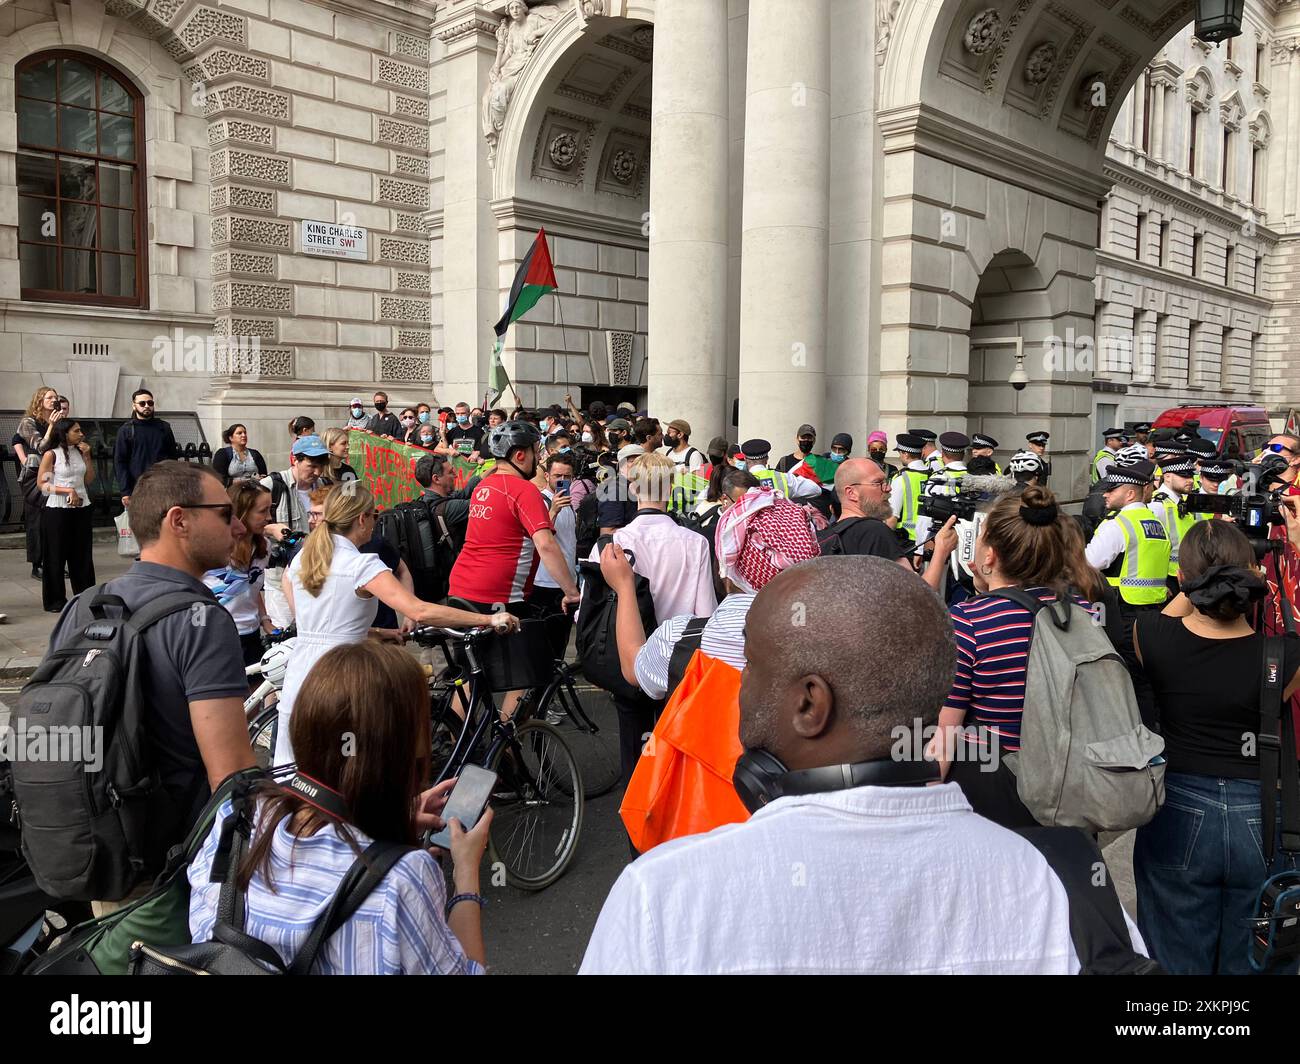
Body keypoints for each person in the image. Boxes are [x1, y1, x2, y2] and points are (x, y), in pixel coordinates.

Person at [581, 554, 1145, 974]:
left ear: (809, 703)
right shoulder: (1067, 884)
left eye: (751, 666)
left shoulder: (664, 897)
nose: (740, 685)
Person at [189, 641, 491, 974]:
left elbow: (205, 928)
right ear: (402, 746)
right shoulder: (403, 878)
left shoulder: (237, 817)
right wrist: (466, 873)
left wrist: (389, 815)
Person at [47, 461, 256, 899]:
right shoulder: (201, 620)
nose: (238, 526)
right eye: (224, 513)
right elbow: (232, 777)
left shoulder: (84, 605)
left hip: (95, 852)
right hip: (170, 873)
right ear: (179, 520)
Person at [1132, 520, 1300, 975]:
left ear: (1184, 581)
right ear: (1253, 578)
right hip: (1262, 813)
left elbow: (1169, 613)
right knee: (1255, 956)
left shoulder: (1152, 637)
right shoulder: (1282, 657)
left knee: (1173, 954)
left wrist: (1198, 580)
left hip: (1178, 807)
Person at [274, 482, 520, 765]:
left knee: (294, 773)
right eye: (375, 516)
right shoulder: (361, 565)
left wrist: (376, 633)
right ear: (362, 518)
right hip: (343, 679)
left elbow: (320, 623)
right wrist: (489, 618)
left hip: (300, 677)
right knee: (352, 770)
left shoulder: (304, 558)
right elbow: (419, 610)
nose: (376, 523)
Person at [936, 486, 1104, 827]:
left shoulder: (968, 622)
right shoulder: (1085, 612)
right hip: (1067, 785)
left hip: (990, 788)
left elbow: (944, 736)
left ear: (990, 556)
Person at [447, 419, 580, 617]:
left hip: (460, 587)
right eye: (536, 452)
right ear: (520, 455)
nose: (539, 458)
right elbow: (546, 545)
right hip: (500, 595)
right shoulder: (525, 490)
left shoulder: (483, 486)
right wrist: (571, 592)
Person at [205, 480, 278, 668]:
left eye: (270, 509)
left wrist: (264, 619)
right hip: (216, 637)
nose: (269, 517)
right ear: (242, 513)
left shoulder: (264, 547)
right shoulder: (213, 548)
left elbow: (250, 587)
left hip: (251, 634)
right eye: (262, 511)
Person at [1084, 459, 1171, 612]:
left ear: (1130, 494)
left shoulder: (1117, 524)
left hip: (1121, 607)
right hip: (1155, 606)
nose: (1105, 494)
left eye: (1112, 490)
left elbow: (1090, 563)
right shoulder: (1157, 522)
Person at [261, 436, 330, 627]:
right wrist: (272, 528)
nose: (317, 472)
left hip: (316, 579)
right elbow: (245, 522)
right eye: (312, 465)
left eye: (321, 466)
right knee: (287, 640)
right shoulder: (272, 485)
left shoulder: (325, 487)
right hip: (280, 581)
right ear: (295, 459)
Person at [37, 418, 96, 613]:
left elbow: (89, 479)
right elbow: (43, 485)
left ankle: (85, 596)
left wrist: (88, 457)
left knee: (82, 555)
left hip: (81, 507)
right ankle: (55, 600)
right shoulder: (51, 455)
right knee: (55, 554)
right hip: (57, 510)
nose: (81, 434)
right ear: (64, 433)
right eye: (76, 431)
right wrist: (67, 491)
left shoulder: (80, 451)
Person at [532, 452, 579, 660]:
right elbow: (540, 538)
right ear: (548, 476)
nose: (562, 480)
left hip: (567, 583)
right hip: (544, 584)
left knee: (560, 642)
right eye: (557, 475)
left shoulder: (569, 505)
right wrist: (553, 511)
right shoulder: (540, 501)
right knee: (544, 645)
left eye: (567, 477)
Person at [14, 385, 60, 579]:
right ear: (40, 401)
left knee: (53, 516)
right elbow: (40, 447)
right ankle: (37, 564)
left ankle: (52, 562)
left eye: (55, 397)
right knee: (37, 519)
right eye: (49, 397)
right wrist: (51, 426)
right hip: (36, 476)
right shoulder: (28, 422)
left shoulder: (57, 420)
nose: (53, 400)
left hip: (54, 472)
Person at [114, 387, 180, 509]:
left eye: (150, 403)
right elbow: (120, 462)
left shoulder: (164, 427)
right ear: (134, 406)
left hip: (162, 486)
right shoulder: (126, 430)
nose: (146, 406)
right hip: (137, 487)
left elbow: (173, 458)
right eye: (142, 403)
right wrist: (125, 491)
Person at [1151, 455, 1207, 584]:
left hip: (1184, 574)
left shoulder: (1181, 502)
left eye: (1191, 476)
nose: (1190, 480)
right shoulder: (1157, 504)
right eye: (1184, 476)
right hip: (1167, 578)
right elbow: (1151, 549)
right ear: (1167, 477)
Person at [742, 439, 821, 501]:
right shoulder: (785, 478)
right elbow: (816, 490)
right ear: (766, 459)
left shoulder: (737, 482)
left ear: (745, 459)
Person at [889, 433, 930, 543]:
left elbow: (892, 517)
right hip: (929, 540)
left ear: (906, 454)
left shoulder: (901, 479)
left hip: (907, 540)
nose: (899, 456)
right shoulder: (934, 475)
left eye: (900, 453)